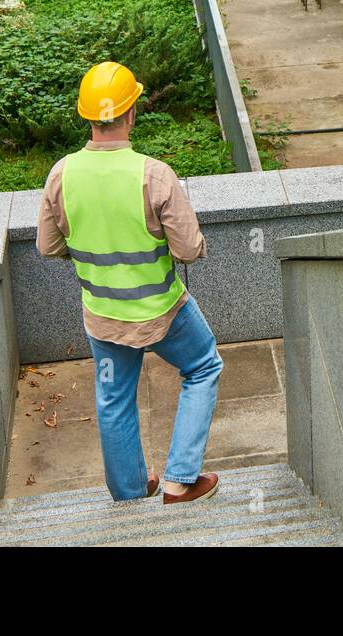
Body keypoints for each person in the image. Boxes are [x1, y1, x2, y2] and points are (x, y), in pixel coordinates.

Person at [36, 61, 222, 505]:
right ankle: (179, 479)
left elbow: (47, 247)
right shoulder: (154, 175)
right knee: (203, 367)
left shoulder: (62, 174)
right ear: (131, 112)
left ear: (87, 116)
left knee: (114, 400)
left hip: (103, 315)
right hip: (162, 311)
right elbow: (189, 248)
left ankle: (131, 494)